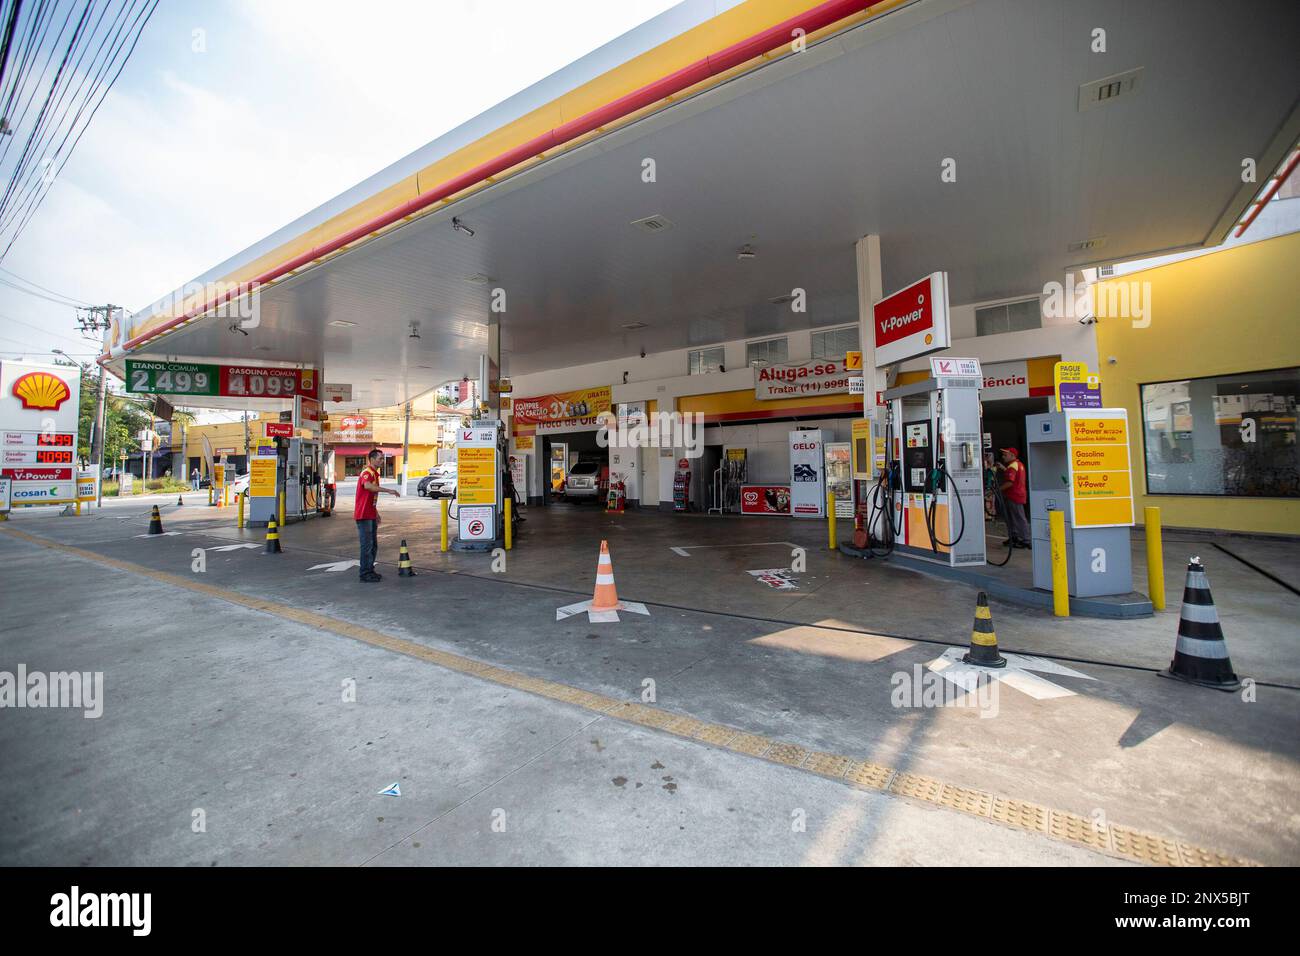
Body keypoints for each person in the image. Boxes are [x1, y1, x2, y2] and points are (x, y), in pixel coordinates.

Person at [355, 449, 399, 582]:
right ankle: (365, 573)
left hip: (370, 513)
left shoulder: (375, 474)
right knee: (367, 545)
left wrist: (376, 512)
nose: (382, 461)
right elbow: (368, 486)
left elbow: (371, 497)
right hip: (363, 515)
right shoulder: (367, 473)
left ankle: (370, 570)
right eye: (380, 458)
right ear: (372, 459)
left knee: (373, 545)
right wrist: (389, 490)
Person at [999, 446, 1031, 548]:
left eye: (1005, 455)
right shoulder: (1018, 464)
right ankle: (1015, 537)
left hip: (1014, 496)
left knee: (1018, 518)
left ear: (1012, 455)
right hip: (1018, 495)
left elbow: (1010, 482)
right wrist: (1004, 469)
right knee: (1014, 517)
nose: (1003, 457)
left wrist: (997, 490)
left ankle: (1025, 539)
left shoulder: (1012, 466)